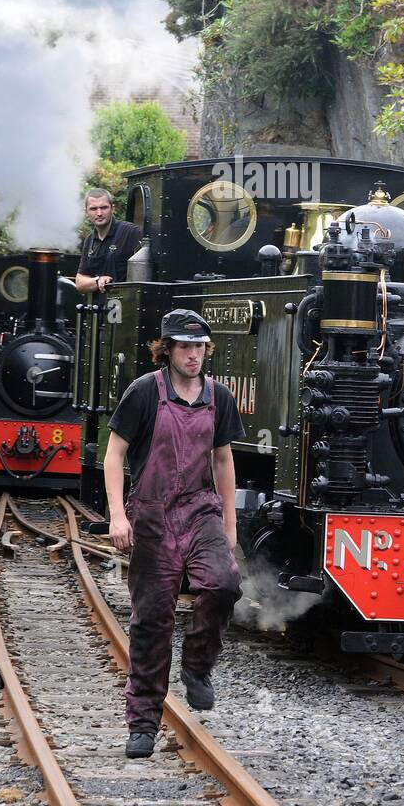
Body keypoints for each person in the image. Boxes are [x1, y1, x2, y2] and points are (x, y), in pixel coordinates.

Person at [103, 309, 244, 758]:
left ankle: (197, 667)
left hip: (200, 512)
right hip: (152, 516)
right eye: (185, 346)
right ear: (167, 349)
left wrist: (230, 526)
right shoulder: (145, 392)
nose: (193, 354)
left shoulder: (218, 396)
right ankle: (142, 723)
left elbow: (223, 461)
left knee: (224, 584)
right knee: (152, 620)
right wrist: (117, 516)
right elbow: (113, 455)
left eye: (200, 347)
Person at [74, 188, 141, 294]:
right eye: (93, 209)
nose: (99, 213)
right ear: (86, 212)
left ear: (112, 208)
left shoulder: (132, 232)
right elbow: (80, 282)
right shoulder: (89, 240)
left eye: (104, 207)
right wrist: (98, 280)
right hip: (99, 308)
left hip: (127, 305)